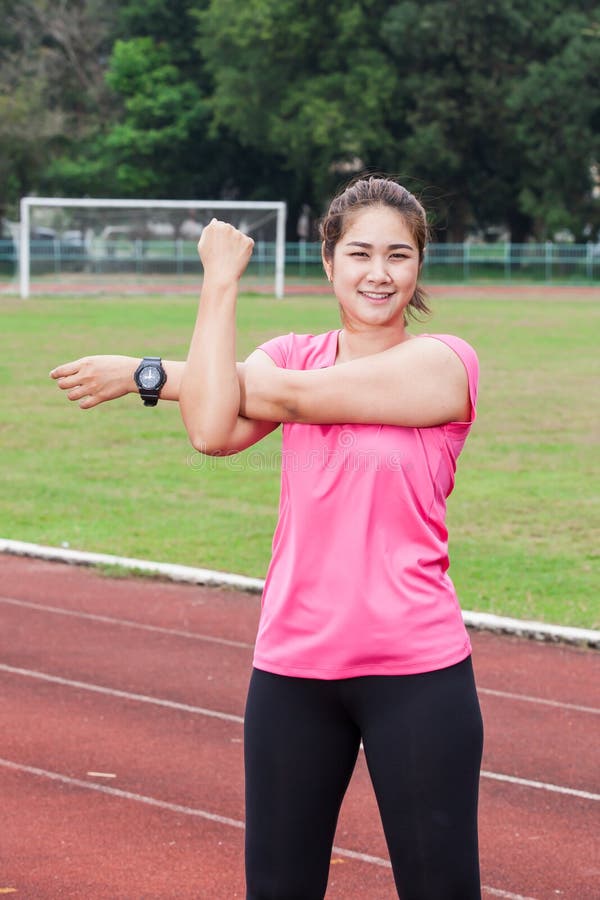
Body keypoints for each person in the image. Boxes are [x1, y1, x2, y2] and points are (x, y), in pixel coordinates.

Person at [51, 176, 484, 900]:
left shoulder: (444, 363)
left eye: (399, 255)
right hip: (292, 668)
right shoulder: (290, 351)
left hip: (415, 670)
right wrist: (219, 283)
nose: (378, 273)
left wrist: (145, 373)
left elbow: (290, 398)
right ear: (329, 261)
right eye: (360, 254)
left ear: (419, 265)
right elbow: (211, 428)